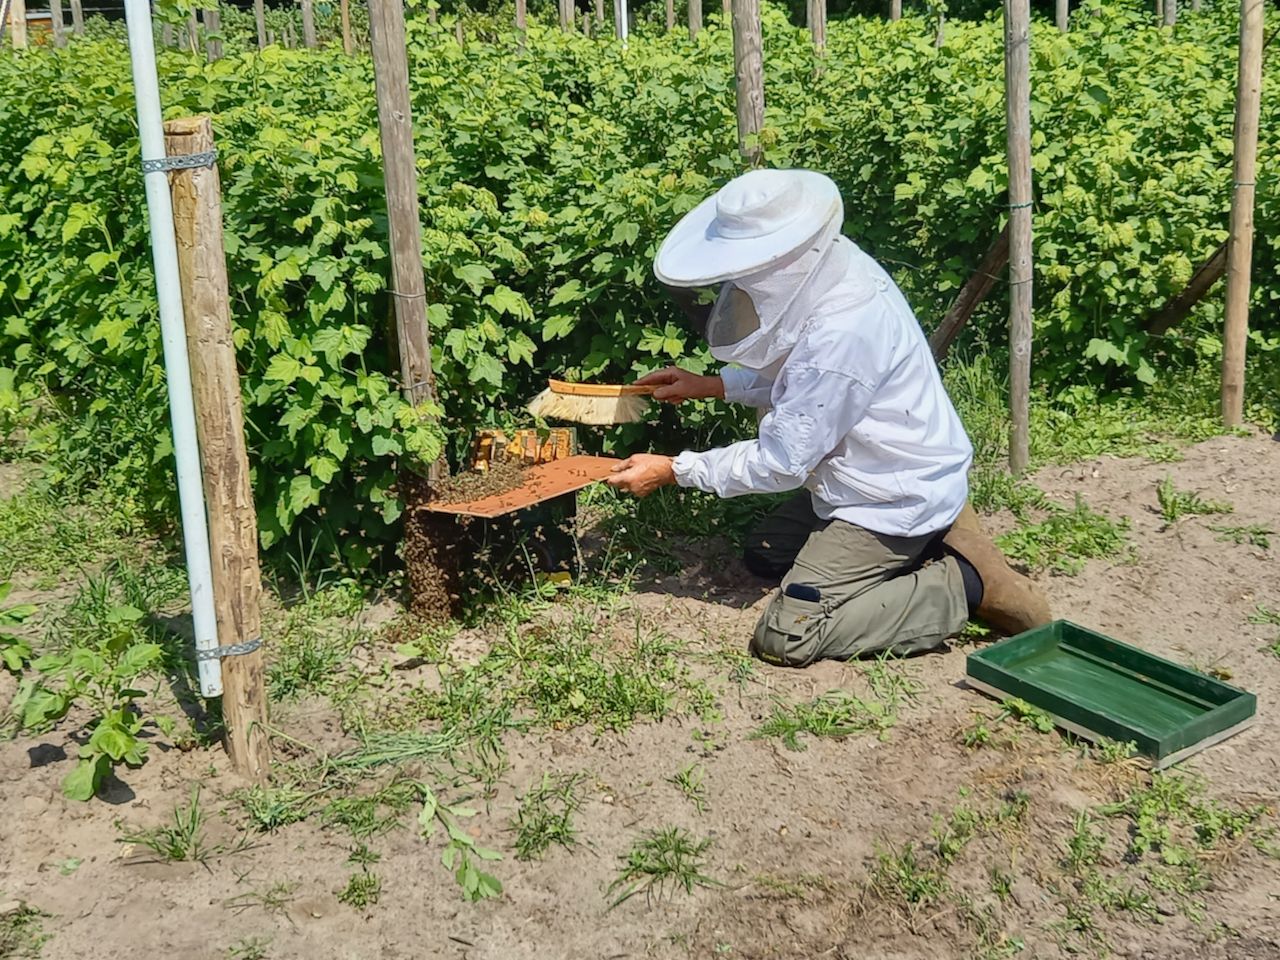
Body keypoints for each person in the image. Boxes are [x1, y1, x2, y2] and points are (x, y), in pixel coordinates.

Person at [606, 168, 1051, 666]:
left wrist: (674, 469)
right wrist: (712, 385)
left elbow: (782, 461)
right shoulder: (832, 266)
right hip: (868, 471)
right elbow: (803, 380)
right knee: (766, 554)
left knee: (787, 635)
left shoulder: (841, 330)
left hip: (891, 494)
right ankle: (932, 535)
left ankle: (962, 582)